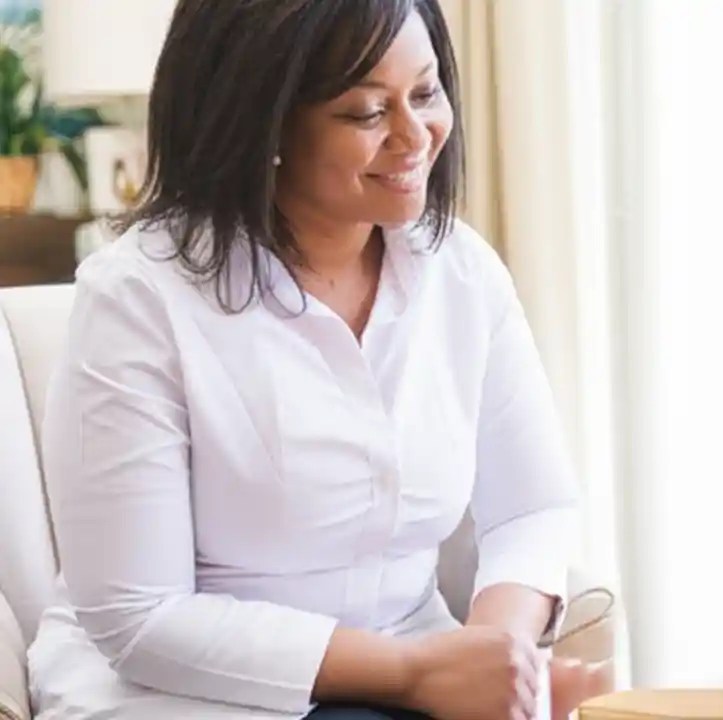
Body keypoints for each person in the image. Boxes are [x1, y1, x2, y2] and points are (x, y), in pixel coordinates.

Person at [28, 1, 582, 718]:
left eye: (425, 93)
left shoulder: (461, 274)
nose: (416, 137)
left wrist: (494, 654)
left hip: (413, 664)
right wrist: (411, 672)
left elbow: (533, 508)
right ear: (264, 124)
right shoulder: (138, 298)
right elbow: (141, 615)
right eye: (367, 113)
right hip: (183, 692)